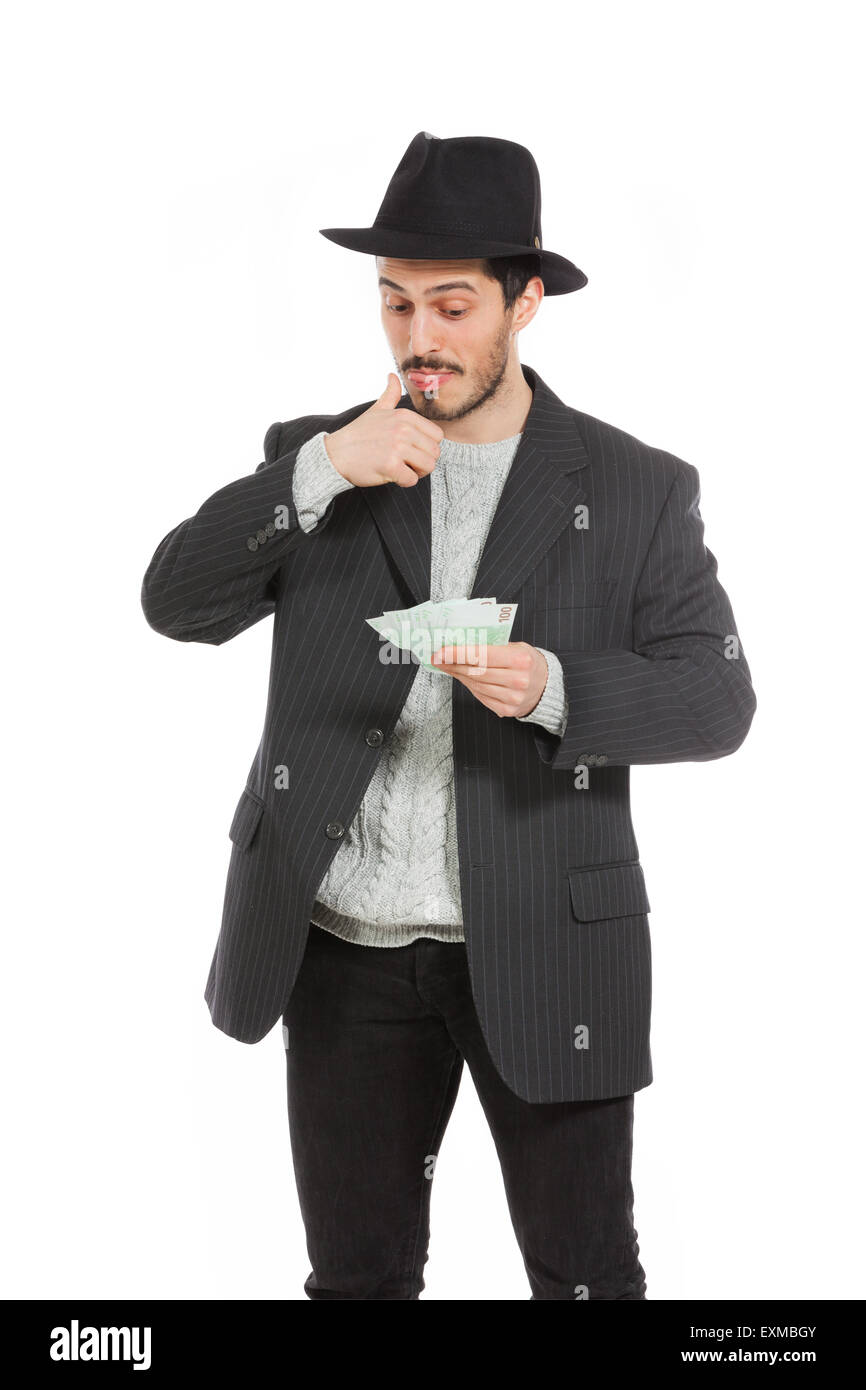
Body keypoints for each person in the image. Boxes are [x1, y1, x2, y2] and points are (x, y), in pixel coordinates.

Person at [141, 132, 757, 1300]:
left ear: (524, 303)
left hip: (542, 949)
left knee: (584, 1275)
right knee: (357, 1279)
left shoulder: (633, 487)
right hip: (340, 954)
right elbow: (174, 601)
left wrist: (557, 688)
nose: (418, 339)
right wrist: (321, 469)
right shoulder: (318, 459)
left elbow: (717, 696)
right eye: (395, 302)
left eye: (452, 305)